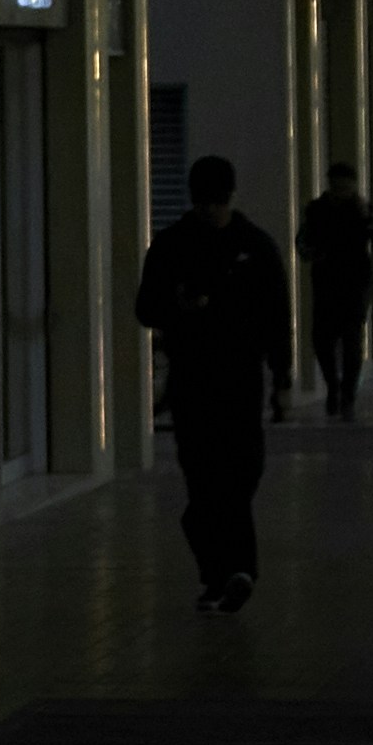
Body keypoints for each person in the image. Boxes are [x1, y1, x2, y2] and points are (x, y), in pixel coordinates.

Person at [131, 154, 292, 613]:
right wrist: (178, 305)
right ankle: (228, 571)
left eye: (217, 203)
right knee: (204, 480)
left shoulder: (254, 247)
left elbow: (277, 316)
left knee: (241, 473)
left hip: (241, 379)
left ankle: (228, 571)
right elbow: (146, 308)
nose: (211, 212)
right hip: (194, 379)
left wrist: (281, 376)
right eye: (205, 203)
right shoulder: (173, 246)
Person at [291, 159, 373, 423]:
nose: (341, 193)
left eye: (346, 187)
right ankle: (333, 385)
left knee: (352, 337)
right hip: (327, 279)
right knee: (322, 337)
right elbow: (302, 243)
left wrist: (367, 217)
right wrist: (317, 254)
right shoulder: (317, 210)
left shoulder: (363, 208)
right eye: (337, 187)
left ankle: (348, 395)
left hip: (356, 280)